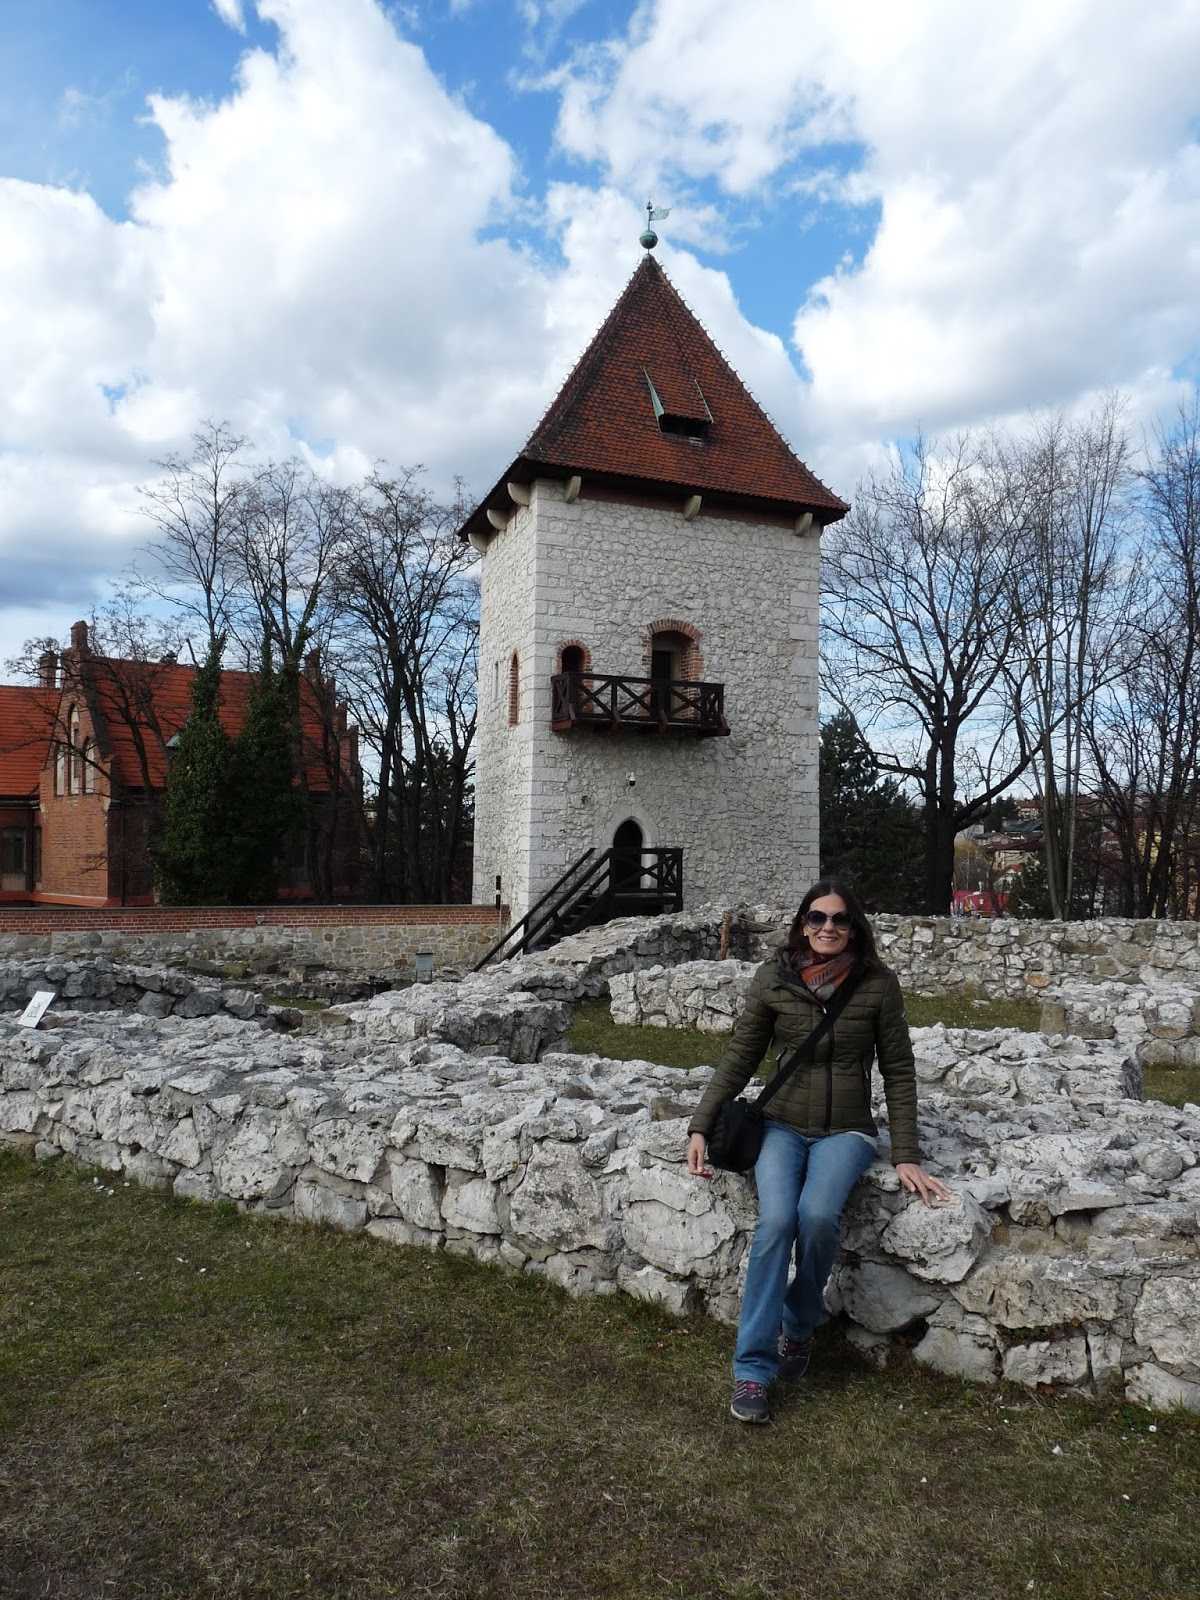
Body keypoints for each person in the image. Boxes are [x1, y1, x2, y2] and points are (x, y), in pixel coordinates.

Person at [686, 878, 951, 1423]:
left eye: (839, 918)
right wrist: (700, 1125)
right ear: (802, 925)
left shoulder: (877, 984)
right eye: (817, 917)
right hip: (781, 1125)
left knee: (818, 1217)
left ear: (854, 927)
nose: (828, 927)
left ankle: (800, 1323)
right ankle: (753, 1369)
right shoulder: (774, 978)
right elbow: (740, 1056)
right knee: (776, 1222)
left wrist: (906, 1152)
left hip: (846, 1130)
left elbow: (899, 1070)